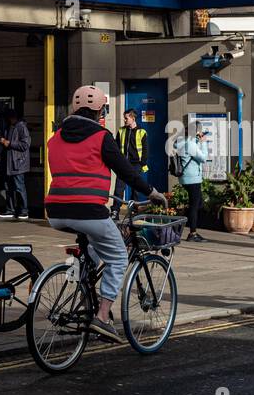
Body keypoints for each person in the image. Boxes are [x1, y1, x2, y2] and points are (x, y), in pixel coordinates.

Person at [46, 84, 168, 343]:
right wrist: (152, 192)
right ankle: (102, 317)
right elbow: (125, 171)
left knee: (93, 248)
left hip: (55, 211)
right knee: (118, 258)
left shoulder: (55, 137)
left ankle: (83, 291)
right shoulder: (101, 137)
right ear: (99, 110)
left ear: (75, 108)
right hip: (88, 211)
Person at [175, 121, 208, 241]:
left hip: (185, 177)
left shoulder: (180, 141)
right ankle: (192, 234)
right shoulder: (190, 144)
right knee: (195, 206)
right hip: (192, 178)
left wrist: (197, 141)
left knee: (197, 204)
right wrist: (203, 143)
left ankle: (177, 226)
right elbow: (203, 158)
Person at [113, 109, 150, 212]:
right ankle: (115, 210)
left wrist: (142, 163)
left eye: (126, 118)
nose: (124, 120)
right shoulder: (121, 131)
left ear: (133, 118)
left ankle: (134, 210)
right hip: (123, 164)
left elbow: (146, 150)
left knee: (135, 189)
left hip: (136, 165)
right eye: (124, 118)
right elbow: (116, 147)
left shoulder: (142, 132)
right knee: (119, 188)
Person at [0, 110, 31, 220]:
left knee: (19, 187)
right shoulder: (9, 127)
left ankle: (24, 210)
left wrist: (9, 143)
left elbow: (25, 145)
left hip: (17, 163)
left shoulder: (21, 127)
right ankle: (10, 210)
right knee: (9, 187)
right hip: (9, 163)